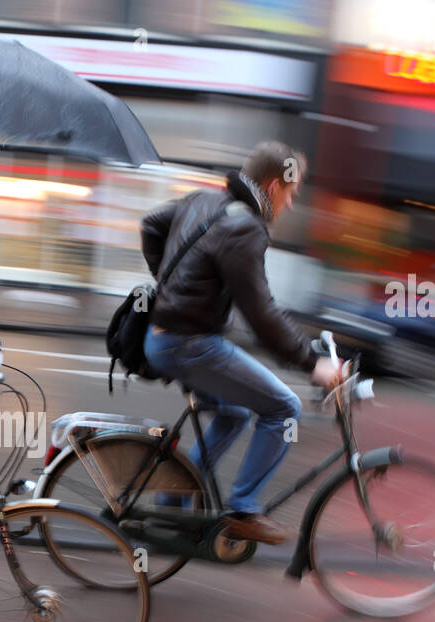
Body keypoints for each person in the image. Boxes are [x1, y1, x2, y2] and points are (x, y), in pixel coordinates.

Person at [140, 141, 342, 545]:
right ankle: (244, 509)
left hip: (161, 336)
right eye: (291, 193)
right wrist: (312, 364)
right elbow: (262, 314)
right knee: (284, 408)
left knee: (233, 414)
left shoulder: (203, 200)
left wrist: (168, 284)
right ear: (272, 187)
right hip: (190, 344)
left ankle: (174, 501)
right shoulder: (245, 228)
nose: (290, 204)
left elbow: (151, 224)